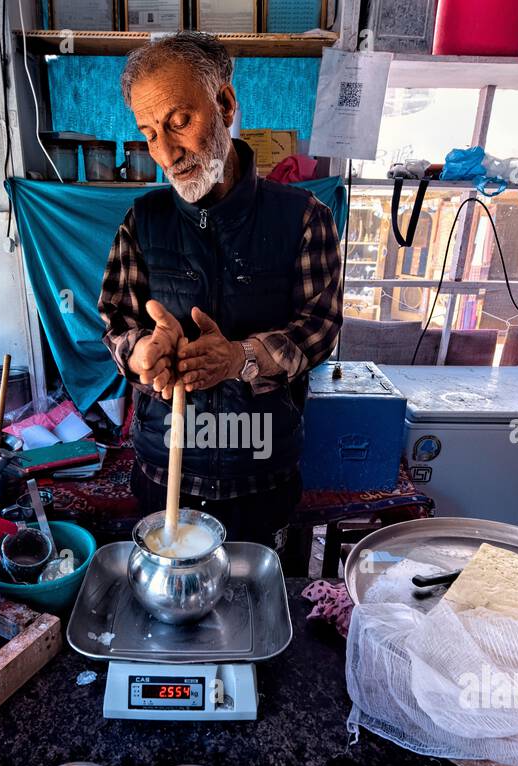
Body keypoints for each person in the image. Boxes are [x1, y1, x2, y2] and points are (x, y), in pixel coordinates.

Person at [98, 32, 342, 550]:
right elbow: (118, 321)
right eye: (149, 132)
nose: (165, 152)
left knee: (262, 609)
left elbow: (319, 330)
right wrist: (142, 351)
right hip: (164, 471)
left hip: (262, 475)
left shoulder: (303, 218)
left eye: (180, 121)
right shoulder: (143, 221)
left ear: (226, 105)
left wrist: (239, 358)